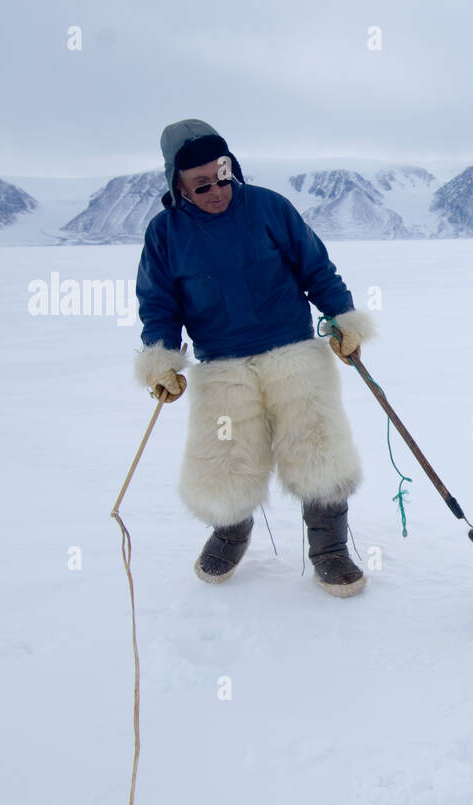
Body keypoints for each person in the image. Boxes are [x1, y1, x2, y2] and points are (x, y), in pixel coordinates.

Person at [132, 118, 375, 597]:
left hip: (293, 352)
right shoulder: (165, 235)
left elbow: (316, 267)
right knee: (226, 455)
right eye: (200, 185)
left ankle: (329, 550)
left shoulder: (268, 207)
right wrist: (162, 360)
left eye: (222, 176)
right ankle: (230, 531)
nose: (216, 190)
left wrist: (343, 319)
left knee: (316, 447)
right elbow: (158, 303)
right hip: (221, 365)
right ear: (176, 185)